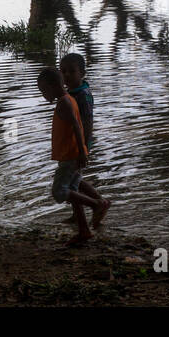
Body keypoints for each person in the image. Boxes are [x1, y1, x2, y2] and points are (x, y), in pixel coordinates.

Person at [38, 67, 106, 246]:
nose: (43, 95)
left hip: (71, 156)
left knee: (59, 192)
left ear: (53, 86)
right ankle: (84, 230)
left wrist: (83, 151)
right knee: (73, 191)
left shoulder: (65, 103)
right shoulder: (68, 99)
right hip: (72, 154)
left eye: (43, 90)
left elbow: (77, 126)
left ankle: (95, 204)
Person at [60, 53, 111, 229]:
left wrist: (84, 148)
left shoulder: (83, 95)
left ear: (82, 73)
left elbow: (88, 122)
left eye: (71, 71)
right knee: (75, 179)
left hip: (79, 145)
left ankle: (99, 203)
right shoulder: (72, 92)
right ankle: (83, 211)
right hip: (72, 144)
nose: (66, 75)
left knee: (69, 181)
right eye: (63, 71)